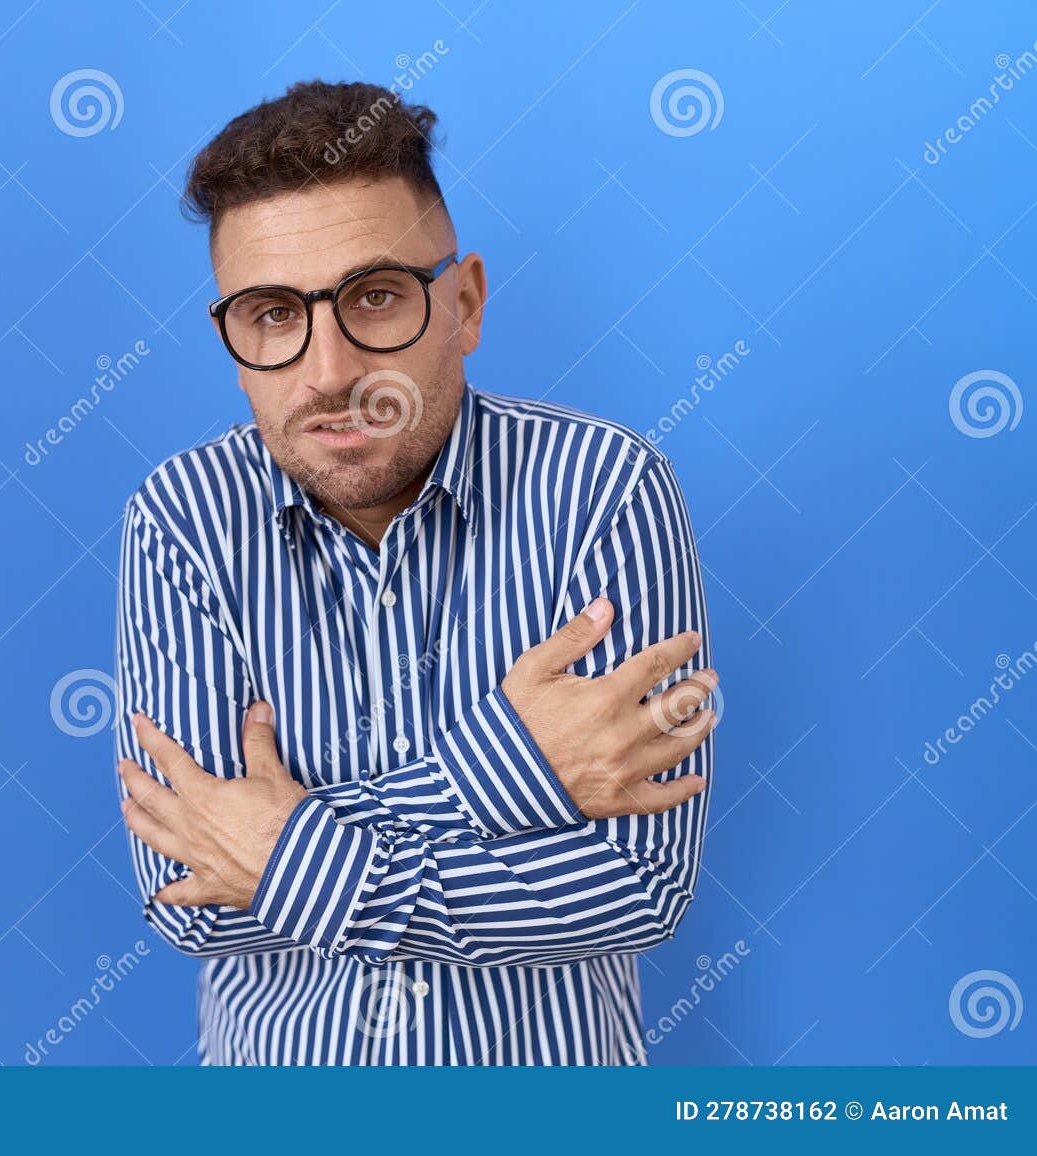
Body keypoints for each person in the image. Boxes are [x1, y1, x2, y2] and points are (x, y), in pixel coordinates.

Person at [114, 80, 717, 1065]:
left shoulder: (607, 488)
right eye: (272, 314)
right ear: (234, 338)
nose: (329, 372)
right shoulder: (183, 518)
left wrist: (281, 848)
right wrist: (512, 764)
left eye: (376, 297)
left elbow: (641, 886)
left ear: (464, 304)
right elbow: (192, 899)